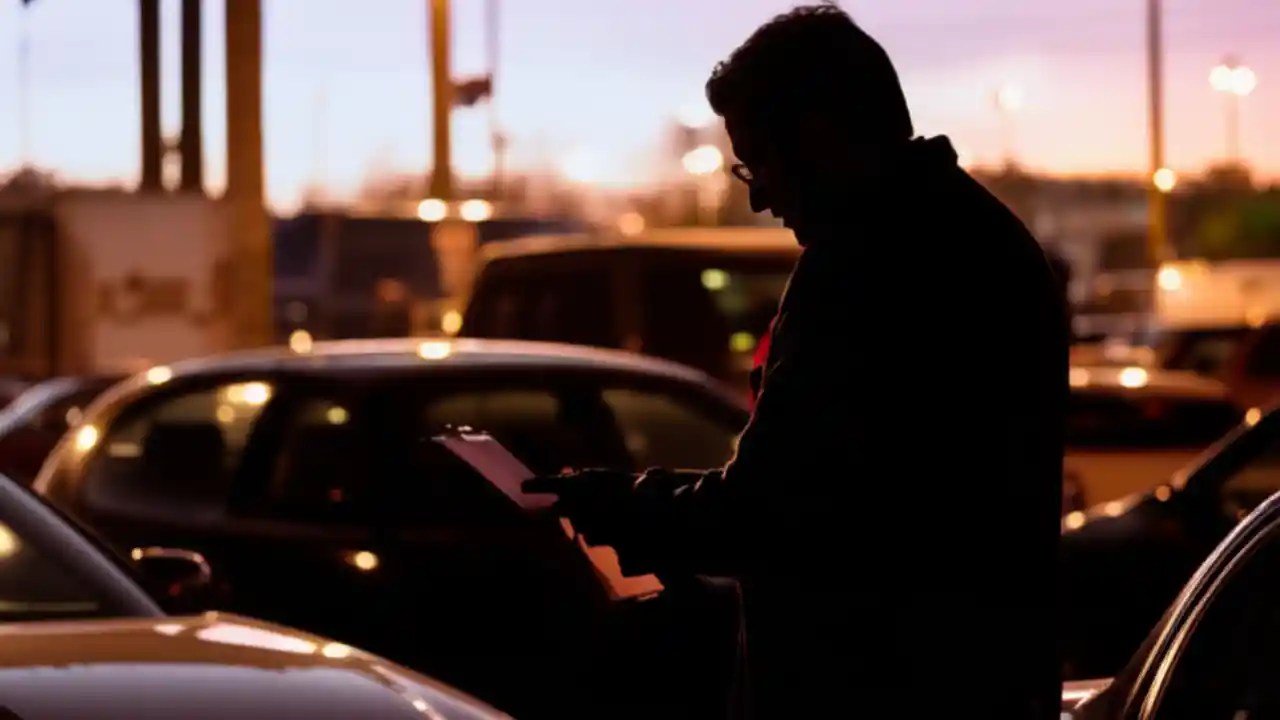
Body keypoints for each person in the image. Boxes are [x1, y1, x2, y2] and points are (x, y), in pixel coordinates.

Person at [529, 5, 1068, 718]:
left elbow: (775, 510)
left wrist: (619, 506)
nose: (757, 197)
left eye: (758, 161)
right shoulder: (979, 236)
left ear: (818, 139)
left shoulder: (868, 268)